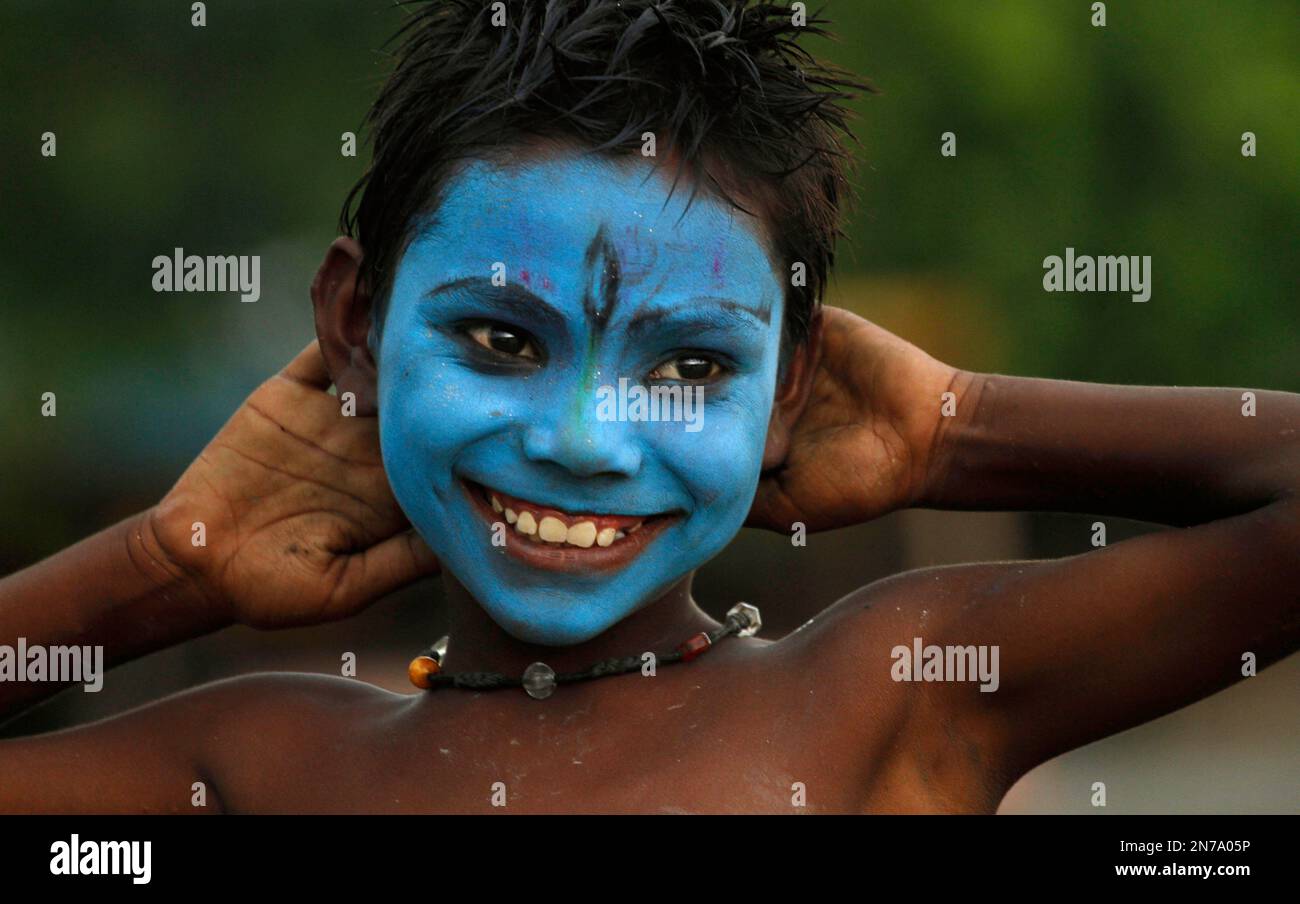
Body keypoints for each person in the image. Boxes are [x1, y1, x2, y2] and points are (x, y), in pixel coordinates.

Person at [1, 0, 1296, 814]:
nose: (579, 437)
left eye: (690, 368)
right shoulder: (253, 765)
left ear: (788, 389)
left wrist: (953, 427)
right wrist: (170, 564)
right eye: (502, 338)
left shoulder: (891, 699)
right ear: (355, 322)